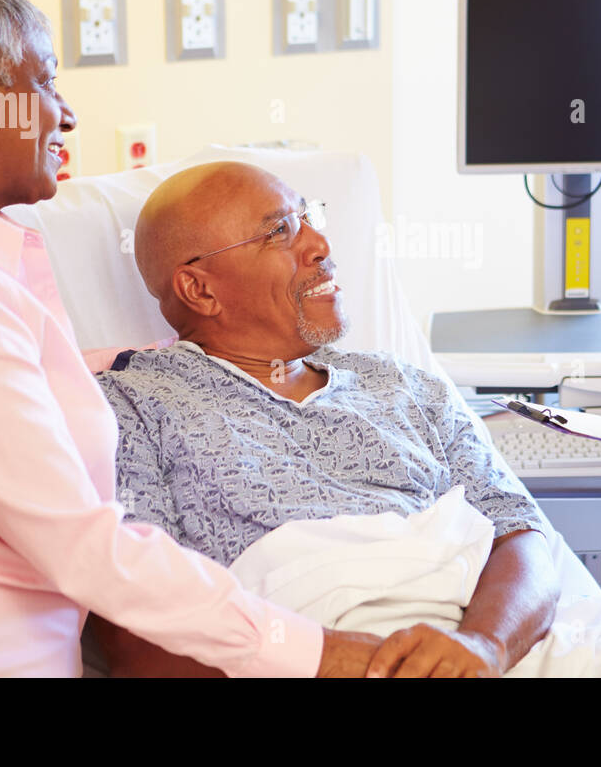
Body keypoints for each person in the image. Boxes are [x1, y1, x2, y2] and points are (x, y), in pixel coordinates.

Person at [0, 0, 381, 677]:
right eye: (44, 84)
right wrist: (321, 653)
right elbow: (85, 545)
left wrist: (168, 356)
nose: (64, 115)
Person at [87, 161, 560, 677]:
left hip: (499, 648)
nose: (319, 246)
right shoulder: (131, 405)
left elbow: (521, 533)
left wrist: (486, 647)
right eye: (279, 232)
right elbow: (130, 623)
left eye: (309, 219)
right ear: (200, 291)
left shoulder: (404, 384)